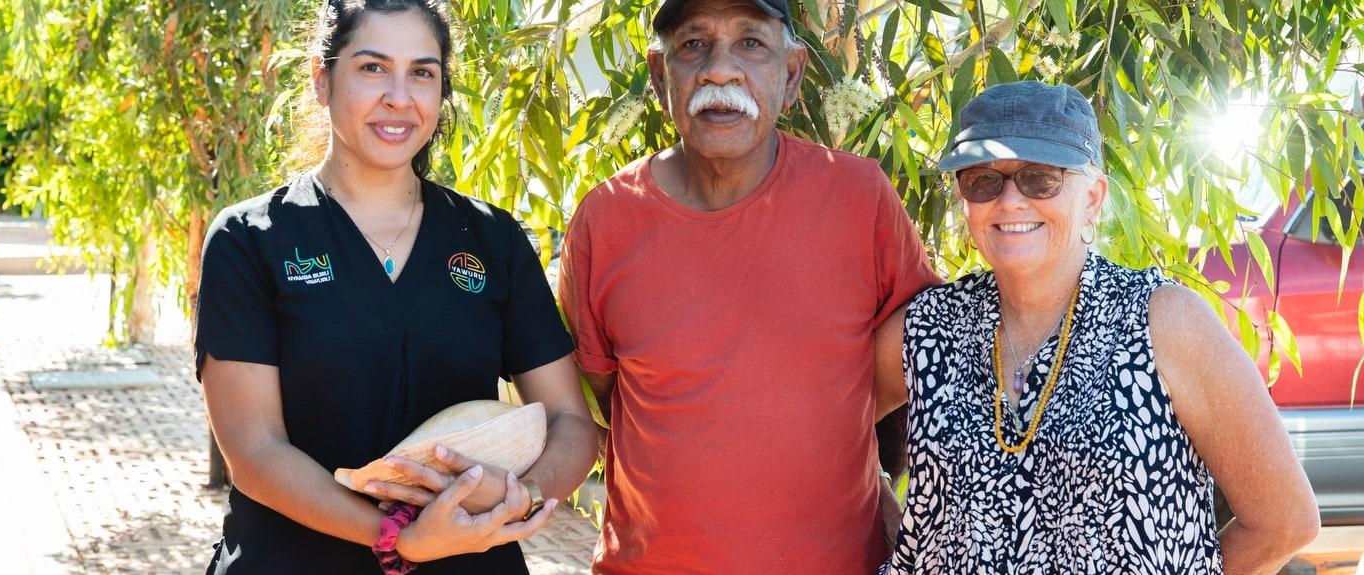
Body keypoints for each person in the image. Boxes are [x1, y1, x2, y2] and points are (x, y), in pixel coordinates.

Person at [193, 1, 597, 573]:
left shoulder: (492, 240)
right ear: (321, 79)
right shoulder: (251, 239)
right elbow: (255, 453)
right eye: (372, 67)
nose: (400, 97)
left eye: (423, 73)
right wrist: (397, 538)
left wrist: (520, 498)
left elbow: (570, 422)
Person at [874, 80, 1320, 573]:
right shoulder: (929, 328)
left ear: (1093, 197)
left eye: (1039, 178)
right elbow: (828, 428)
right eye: (983, 181)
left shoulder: (1164, 323)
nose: (1009, 201)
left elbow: (1285, 521)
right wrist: (889, 522)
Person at [557, 0, 939, 571]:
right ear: (661, 79)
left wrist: (862, 453)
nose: (719, 69)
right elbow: (616, 402)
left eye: (751, 44)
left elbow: (923, 359)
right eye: (693, 45)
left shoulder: (860, 198)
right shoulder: (606, 219)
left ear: (791, 77)